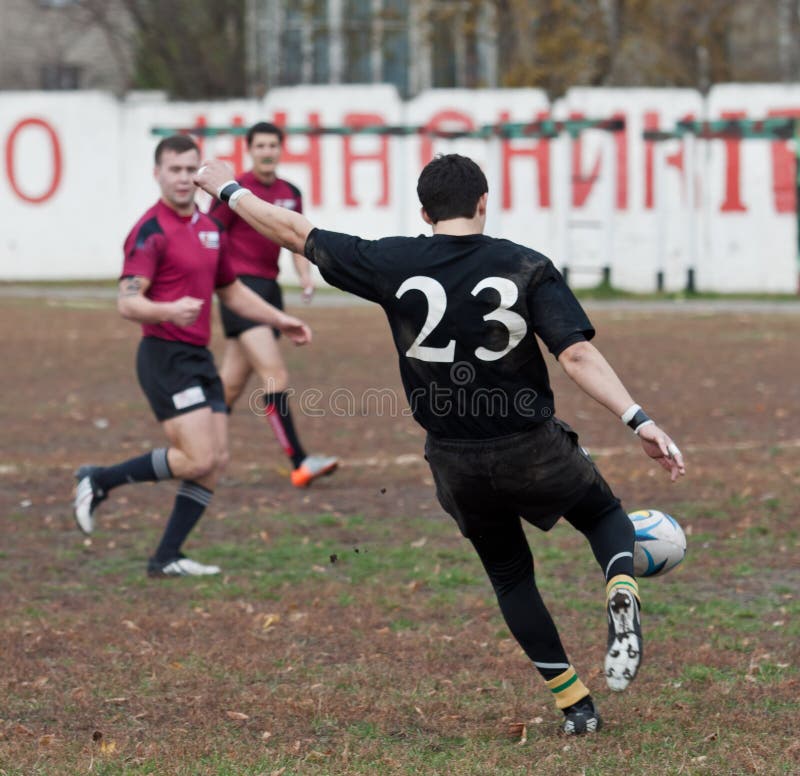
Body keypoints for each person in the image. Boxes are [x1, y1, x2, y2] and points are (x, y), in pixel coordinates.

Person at [194, 154, 686, 733]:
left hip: (454, 457)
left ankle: (576, 706)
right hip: (531, 443)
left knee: (510, 576)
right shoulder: (526, 265)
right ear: (484, 203)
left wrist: (225, 185)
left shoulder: (390, 261)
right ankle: (621, 588)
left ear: (424, 212)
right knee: (604, 515)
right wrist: (639, 419)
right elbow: (575, 354)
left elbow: (295, 232)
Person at [72, 134, 312, 578]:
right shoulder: (150, 231)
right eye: (175, 170)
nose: (183, 178)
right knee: (199, 457)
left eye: (190, 169)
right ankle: (98, 479)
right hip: (165, 356)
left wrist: (280, 320)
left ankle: (166, 557)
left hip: (198, 356)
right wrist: (167, 310)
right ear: (157, 174)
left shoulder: (209, 228)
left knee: (215, 460)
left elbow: (232, 291)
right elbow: (128, 302)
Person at [208, 121, 337, 488]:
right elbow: (208, 235)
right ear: (250, 150)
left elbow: (295, 239)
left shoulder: (290, 192)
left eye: (273, 145)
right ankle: (299, 462)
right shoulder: (232, 191)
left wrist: (306, 275)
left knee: (229, 386)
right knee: (274, 375)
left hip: (269, 288)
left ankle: (197, 447)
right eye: (260, 145)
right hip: (239, 292)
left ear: (281, 149)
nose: (267, 151)